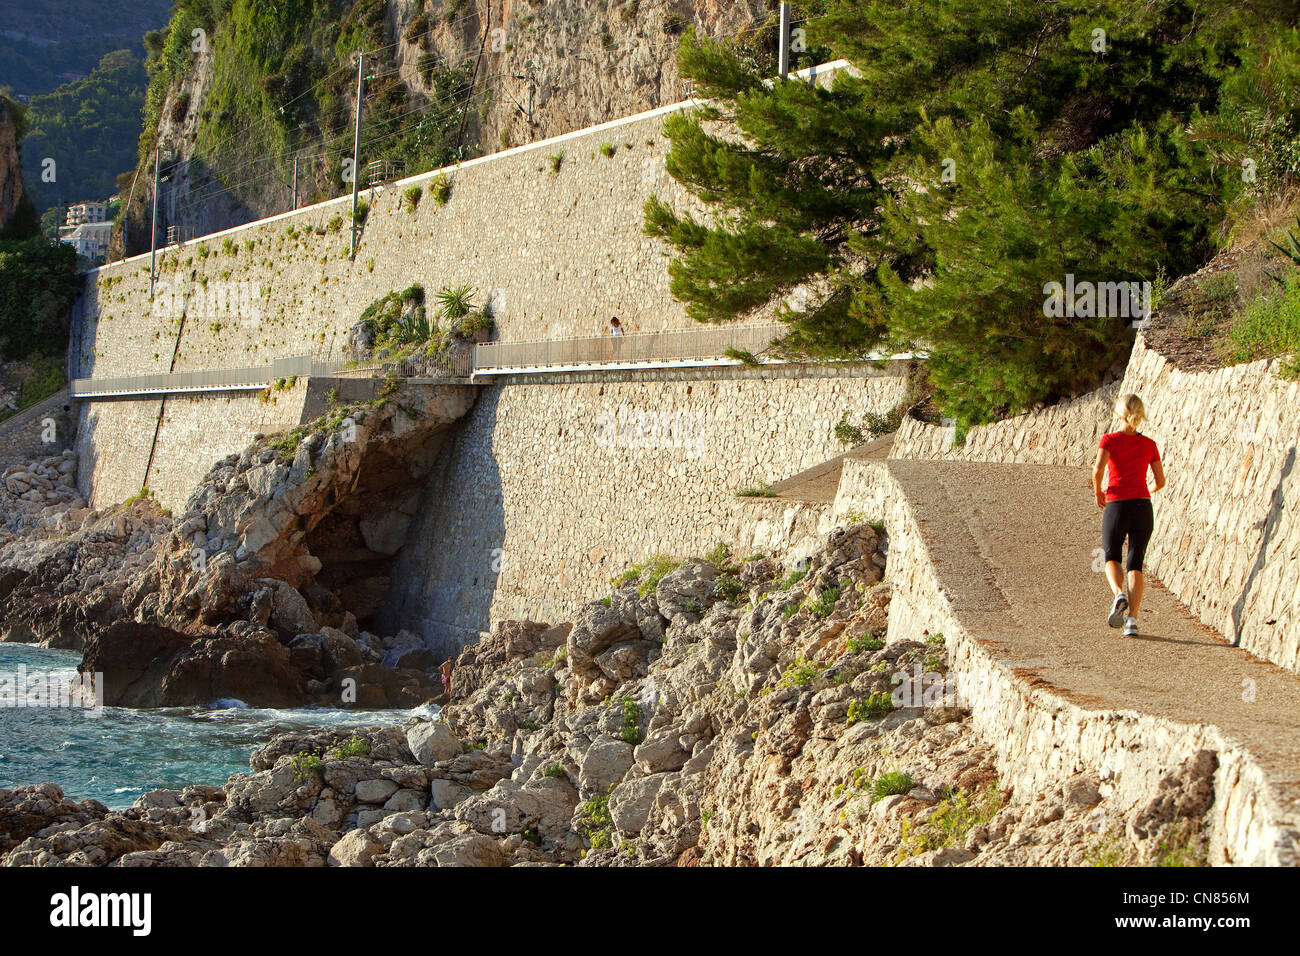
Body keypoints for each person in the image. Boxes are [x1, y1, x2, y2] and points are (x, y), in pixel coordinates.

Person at [1092, 393, 1166, 637]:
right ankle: (1132, 621)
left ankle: (1118, 593)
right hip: (1143, 507)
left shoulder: (1110, 440)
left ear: (1119, 413)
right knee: (1136, 562)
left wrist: (1098, 492)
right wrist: (1146, 491)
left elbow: (1098, 470)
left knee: (1111, 555)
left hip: (1117, 504)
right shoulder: (1149, 444)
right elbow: (1160, 481)